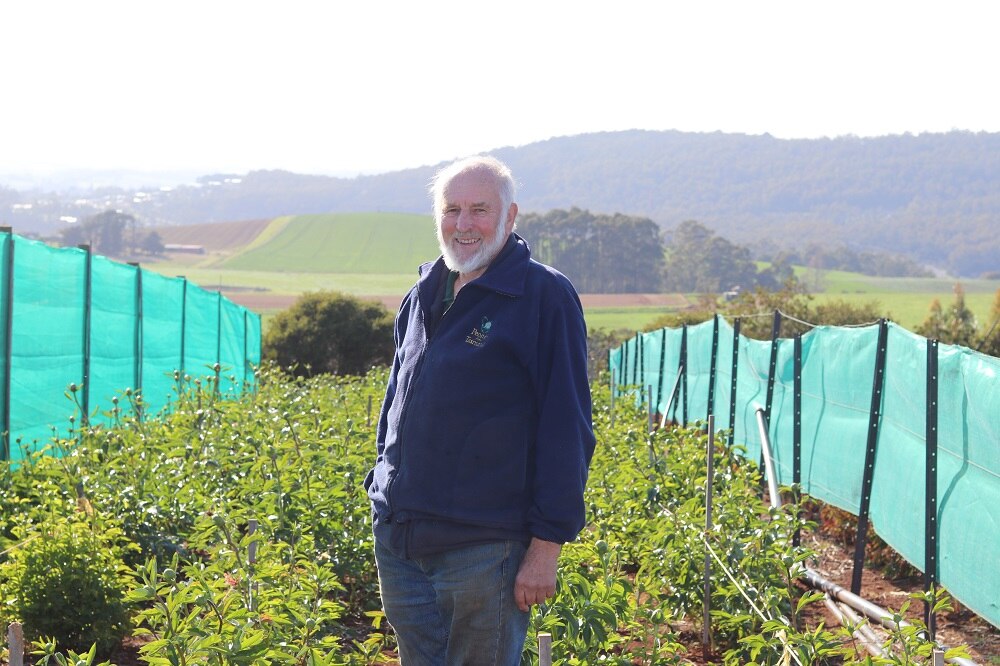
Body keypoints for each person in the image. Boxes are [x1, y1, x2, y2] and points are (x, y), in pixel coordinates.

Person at [364, 155, 596, 665]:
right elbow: (396, 401)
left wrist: (546, 548)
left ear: (510, 216)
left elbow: (567, 427)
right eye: (452, 210)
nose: (463, 224)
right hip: (401, 545)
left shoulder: (542, 296)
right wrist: (381, 485)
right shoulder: (423, 293)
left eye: (479, 210)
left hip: (483, 548)